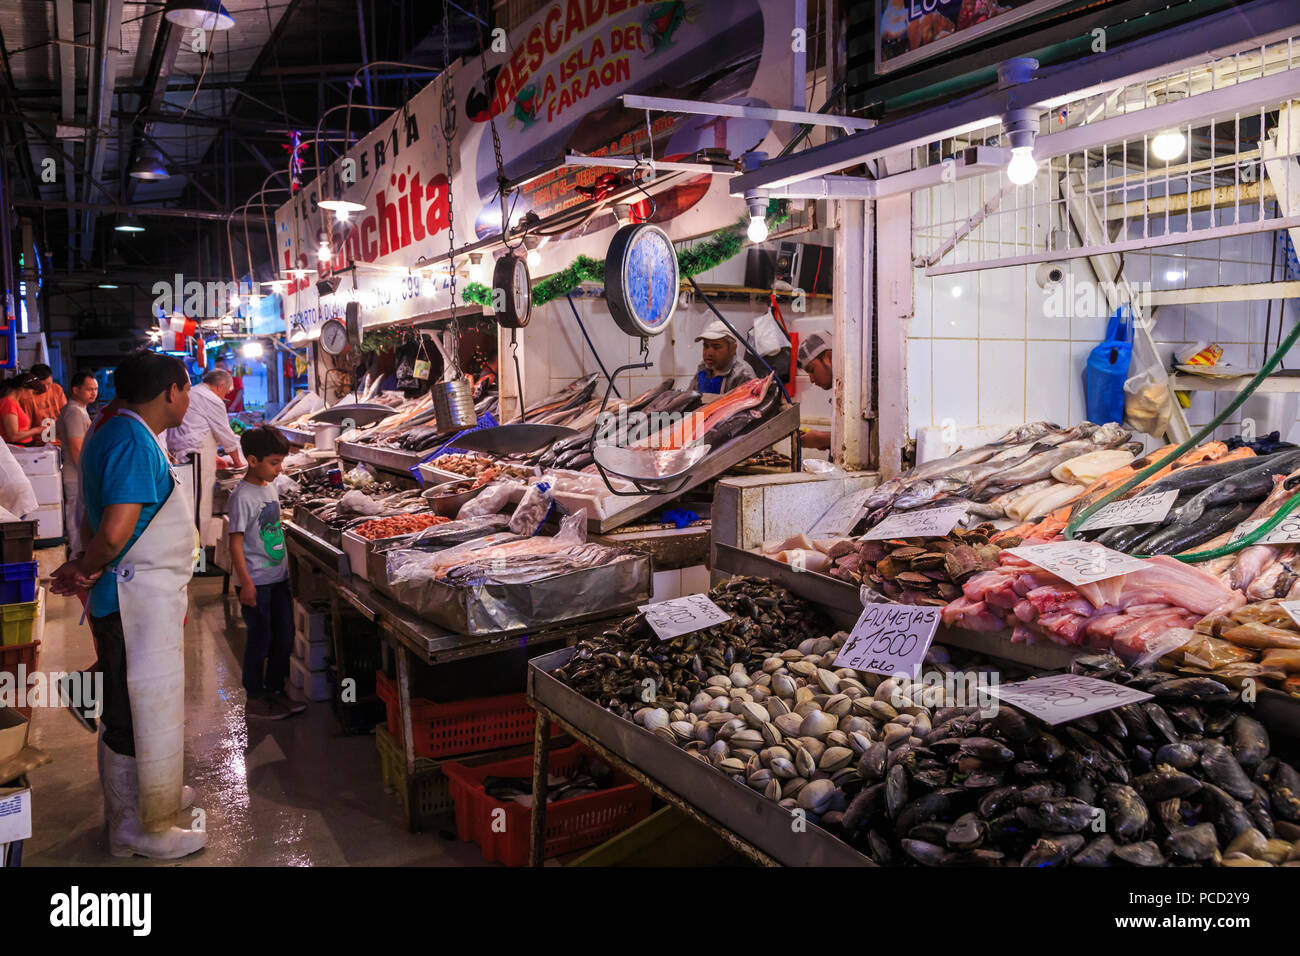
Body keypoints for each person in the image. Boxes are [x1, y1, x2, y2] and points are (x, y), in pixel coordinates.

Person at [50, 349, 206, 860]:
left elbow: (98, 521)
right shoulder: (132, 440)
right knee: (131, 711)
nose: (187, 399)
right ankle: (135, 828)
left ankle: (145, 801)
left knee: (134, 701)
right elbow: (115, 531)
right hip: (132, 598)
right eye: (186, 389)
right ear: (170, 391)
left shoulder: (111, 425)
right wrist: (87, 565)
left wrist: (84, 561)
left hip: (134, 595)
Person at [227, 425, 303, 720]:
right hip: (255, 582)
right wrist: (245, 583)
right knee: (260, 639)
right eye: (274, 462)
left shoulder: (269, 486)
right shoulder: (241, 497)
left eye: (281, 462)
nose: (279, 469)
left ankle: (276, 691)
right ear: (252, 460)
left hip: (277, 579)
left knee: (284, 637)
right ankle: (255, 697)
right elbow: (235, 543)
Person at [166, 368, 244, 547]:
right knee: (197, 510)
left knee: (190, 508)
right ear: (221, 385)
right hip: (194, 457)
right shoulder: (210, 398)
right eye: (227, 392)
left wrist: (214, 455)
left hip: (187, 456)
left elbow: (196, 428)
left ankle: (193, 558)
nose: (225, 396)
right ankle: (198, 561)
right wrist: (239, 463)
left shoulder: (194, 394)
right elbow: (224, 433)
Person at [56, 369, 97, 557]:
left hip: (77, 475)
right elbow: (76, 447)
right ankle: (76, 559)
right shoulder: (74, 411)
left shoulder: (79, 409)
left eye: (95, 389)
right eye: (89, 389)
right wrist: (88, 474)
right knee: (76, 521)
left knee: (79, 519)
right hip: (75, 476)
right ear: (75, 390)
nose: (93, 393)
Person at [694, 319, 757, 395]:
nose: (708, 353)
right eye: (706, 346)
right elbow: (688, 398)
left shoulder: (743, 374)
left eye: (716, 347)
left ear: (732, 349)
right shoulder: (703, 367)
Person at [797, 330, 833, 451]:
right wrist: (826, 441)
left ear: (829, 357)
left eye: (812, 370)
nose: (811, 380)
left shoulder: (859, 389)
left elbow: (863, 441)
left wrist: (822, 439)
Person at [0, 373, 44, 445]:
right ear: (23, 388)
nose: (32, 396)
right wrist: (37, 430)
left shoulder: (15, 403)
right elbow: (13, 436)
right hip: (17, 449)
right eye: (32, 392)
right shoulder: (8, 404)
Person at [20, 363, 67, 431]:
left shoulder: (56, 388)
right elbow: (27, 427)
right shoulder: (28, 397)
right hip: (42, 439)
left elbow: (65, 413)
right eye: (41, 385)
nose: (46, 388)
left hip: (61, 436)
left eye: (49, 384)